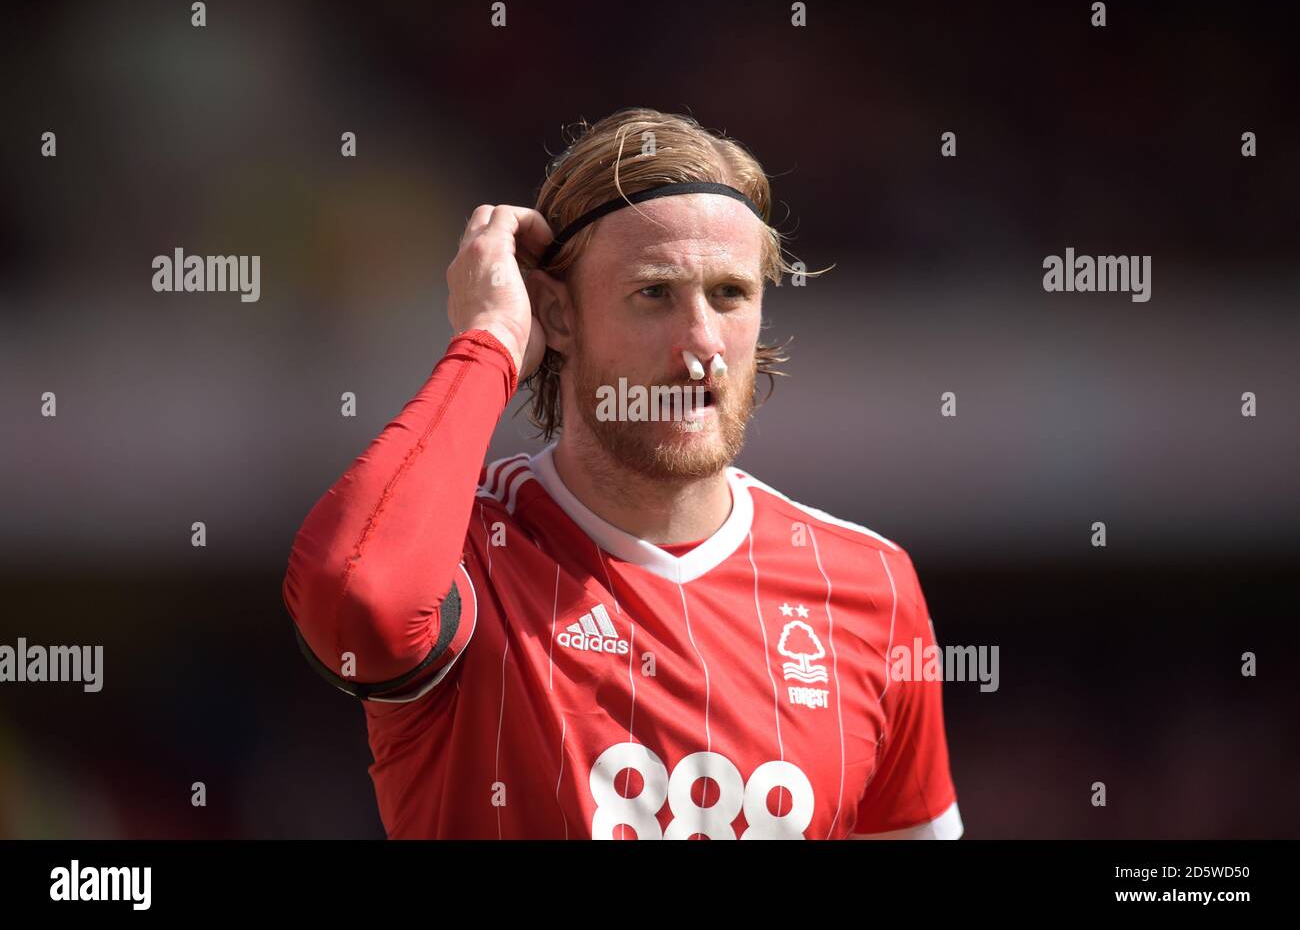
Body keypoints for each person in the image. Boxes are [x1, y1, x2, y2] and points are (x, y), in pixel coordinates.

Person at [282, 108, 962, 839]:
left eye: (730, 294)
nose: (703, 344)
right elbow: (358, 598)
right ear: (559, 315)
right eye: (654, 294)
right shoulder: (473, 557)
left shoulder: (871, 588)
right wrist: (489, 341)